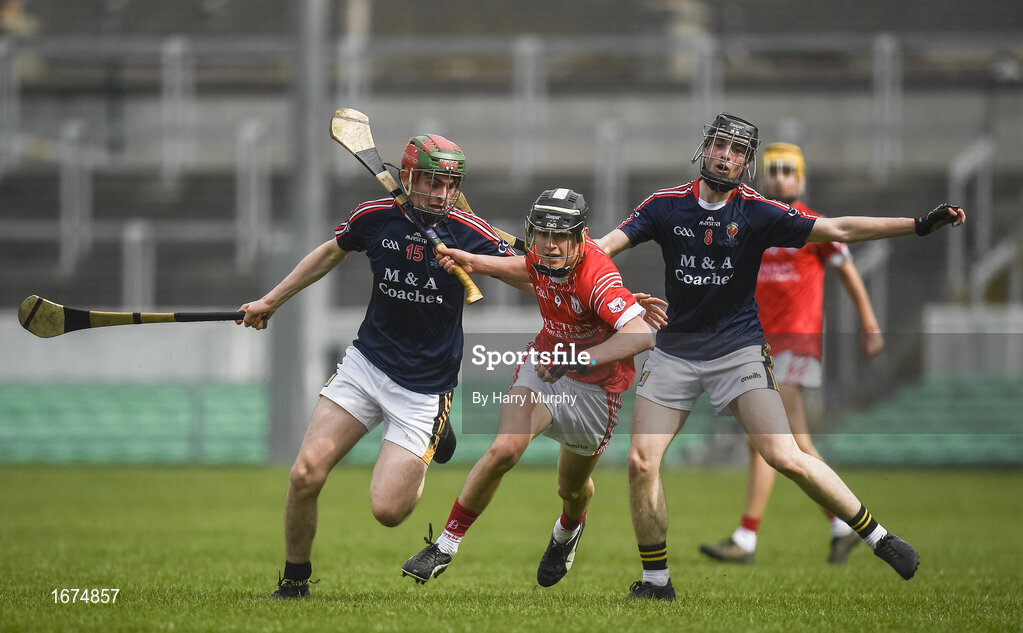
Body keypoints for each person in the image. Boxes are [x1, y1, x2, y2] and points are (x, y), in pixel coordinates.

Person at [595, 113, 965, 601]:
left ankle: (877, 537)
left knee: (785, 454)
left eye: (737, 151)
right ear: (704, 149)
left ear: (746, 164)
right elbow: (600, 250)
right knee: (642, 462)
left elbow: (840, 229)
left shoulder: (758, 211)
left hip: (738, 351)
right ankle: (656, 583)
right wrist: (603, 287)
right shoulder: (664, 206)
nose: (726, 155)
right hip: (675, 354)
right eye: (719, 145)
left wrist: (916, 225)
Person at [237, 134, 522, 599]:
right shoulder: (374, 217)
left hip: (425, 388)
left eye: (450, 184)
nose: (442, 193)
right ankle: (295, 581)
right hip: (367, 365)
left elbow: (529, 275)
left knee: (388, 511)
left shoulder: (471, 232)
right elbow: (330, 252)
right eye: (431, 182)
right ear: (407, 178)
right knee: (305, 473)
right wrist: (272, 301)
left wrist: (477, 264)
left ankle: (435, 435)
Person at [399, 188, 656, 588]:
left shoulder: (597, 274)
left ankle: (567, 533)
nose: (549, 246)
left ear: (581, 237)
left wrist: (576, 358)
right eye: (542, 235)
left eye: (560, 237)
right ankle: (445, 546)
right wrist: (470, 261)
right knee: (505, 448)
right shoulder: (541, 258)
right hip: (543, 366)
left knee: (571, 489)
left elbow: (641, 336)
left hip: (595, 390)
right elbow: (522, 271)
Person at [698, 142, 886, 566]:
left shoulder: (810, 224)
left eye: (789, 170)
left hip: (797, 343)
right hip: (757, 345)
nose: (780, 176)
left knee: (765, 441)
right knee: (796, 445)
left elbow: (849, 272)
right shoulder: (752, 221)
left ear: (800, 179)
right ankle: (845, 525)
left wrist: (870, 324)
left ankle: (746, 538)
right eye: (774, 169)